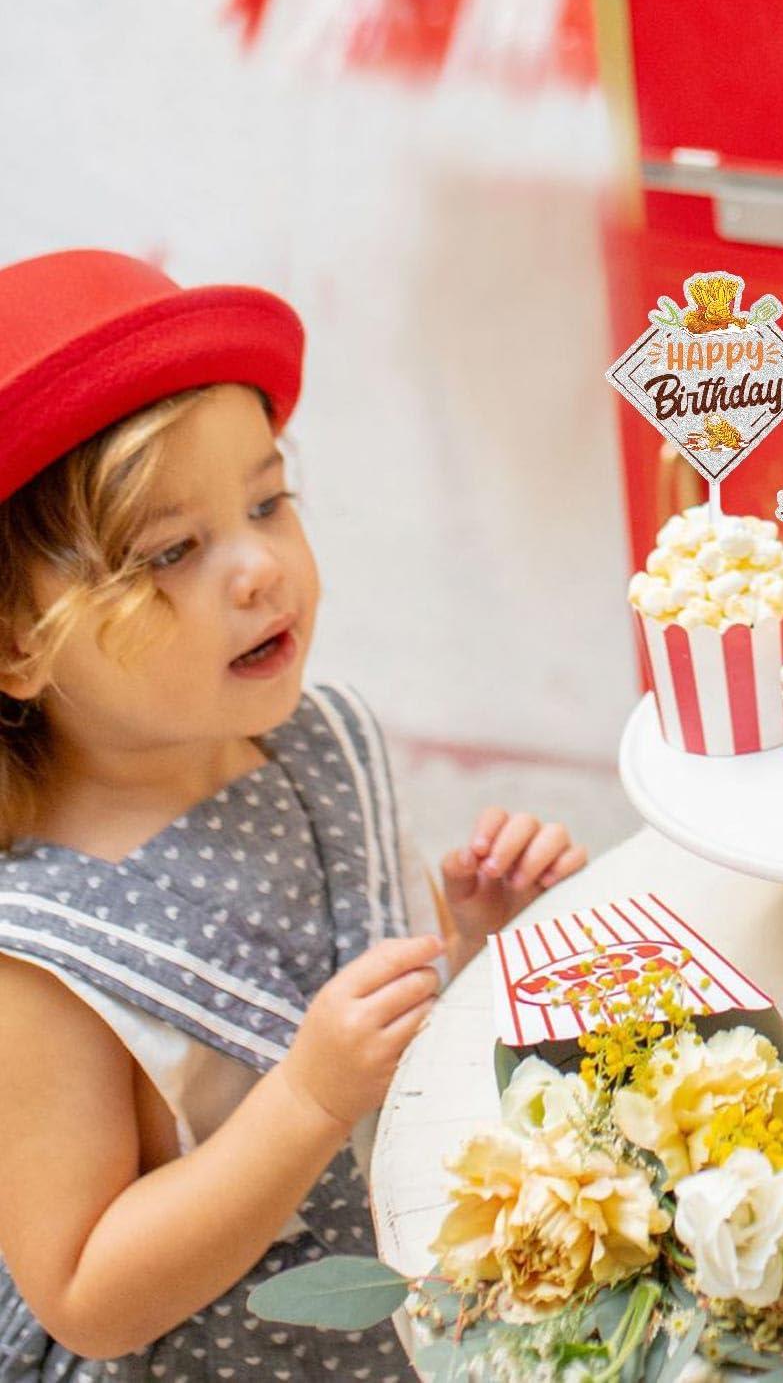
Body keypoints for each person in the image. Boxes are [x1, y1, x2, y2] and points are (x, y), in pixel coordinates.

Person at [0, 250, 587, 1380]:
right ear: (18, 641)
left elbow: (389, 1053)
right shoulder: (39, 960)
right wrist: (308, 1095)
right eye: (173, 551)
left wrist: (477, 944)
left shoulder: (319, 752)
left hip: (399, 1311)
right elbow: (85, 1295)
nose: (262, 567)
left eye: (268, 501)